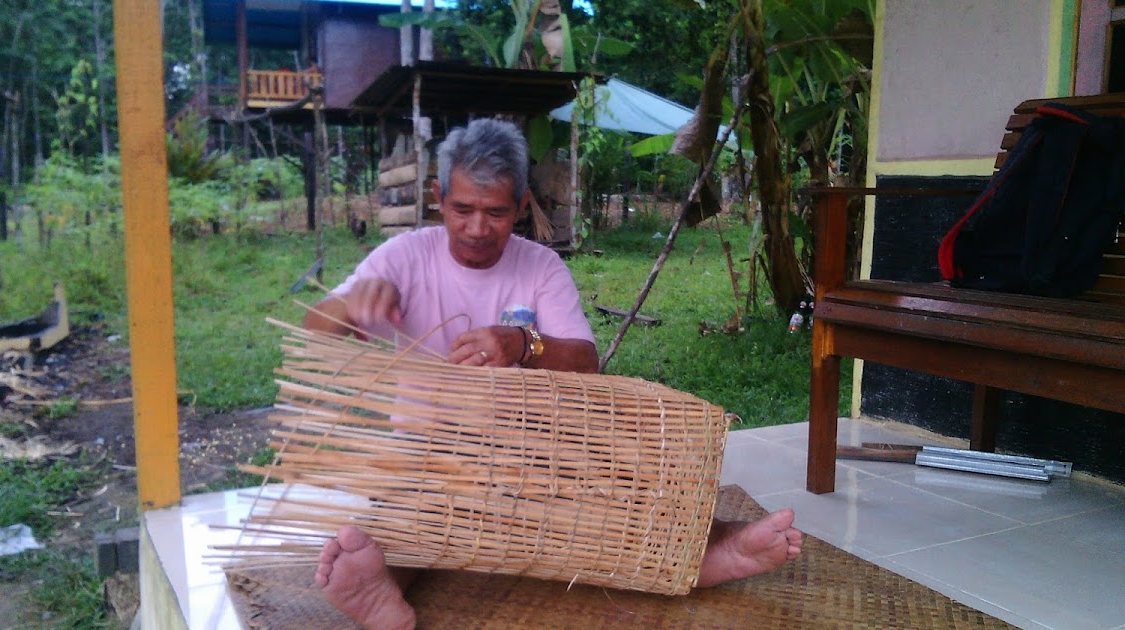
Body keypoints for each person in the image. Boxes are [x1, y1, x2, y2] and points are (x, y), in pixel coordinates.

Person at [306, 118, 803, 630]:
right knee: (414, 521)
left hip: (534, 450)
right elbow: (314, 326)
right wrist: (347, 307)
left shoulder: (540, 267)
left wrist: (522, 343)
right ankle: (380, 585)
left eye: (496, 212)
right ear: (438, 197)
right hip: (430, 450)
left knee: (622, 494)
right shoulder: (403, 257)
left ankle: (704, 553)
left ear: (522, 205)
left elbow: (585, 362)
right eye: (463, 209)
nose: (478, 228)